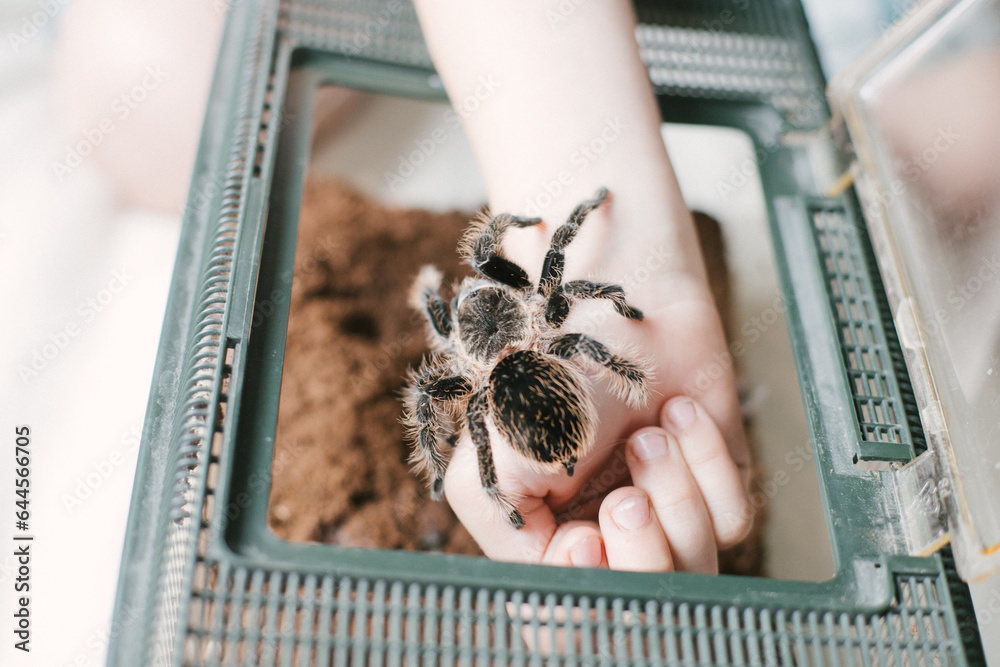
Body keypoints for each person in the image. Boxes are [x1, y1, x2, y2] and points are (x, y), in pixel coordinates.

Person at [412, 0, 752, 573]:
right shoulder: (548, 318)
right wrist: (622, 300)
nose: (473, 284)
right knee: (565, 279)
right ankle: (631, 379)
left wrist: (473, 481)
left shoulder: (466, 377)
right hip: (550, 372)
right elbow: (560, 253)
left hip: (527, 403)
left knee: (438, 402)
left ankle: (623, 384)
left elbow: (429, 401)